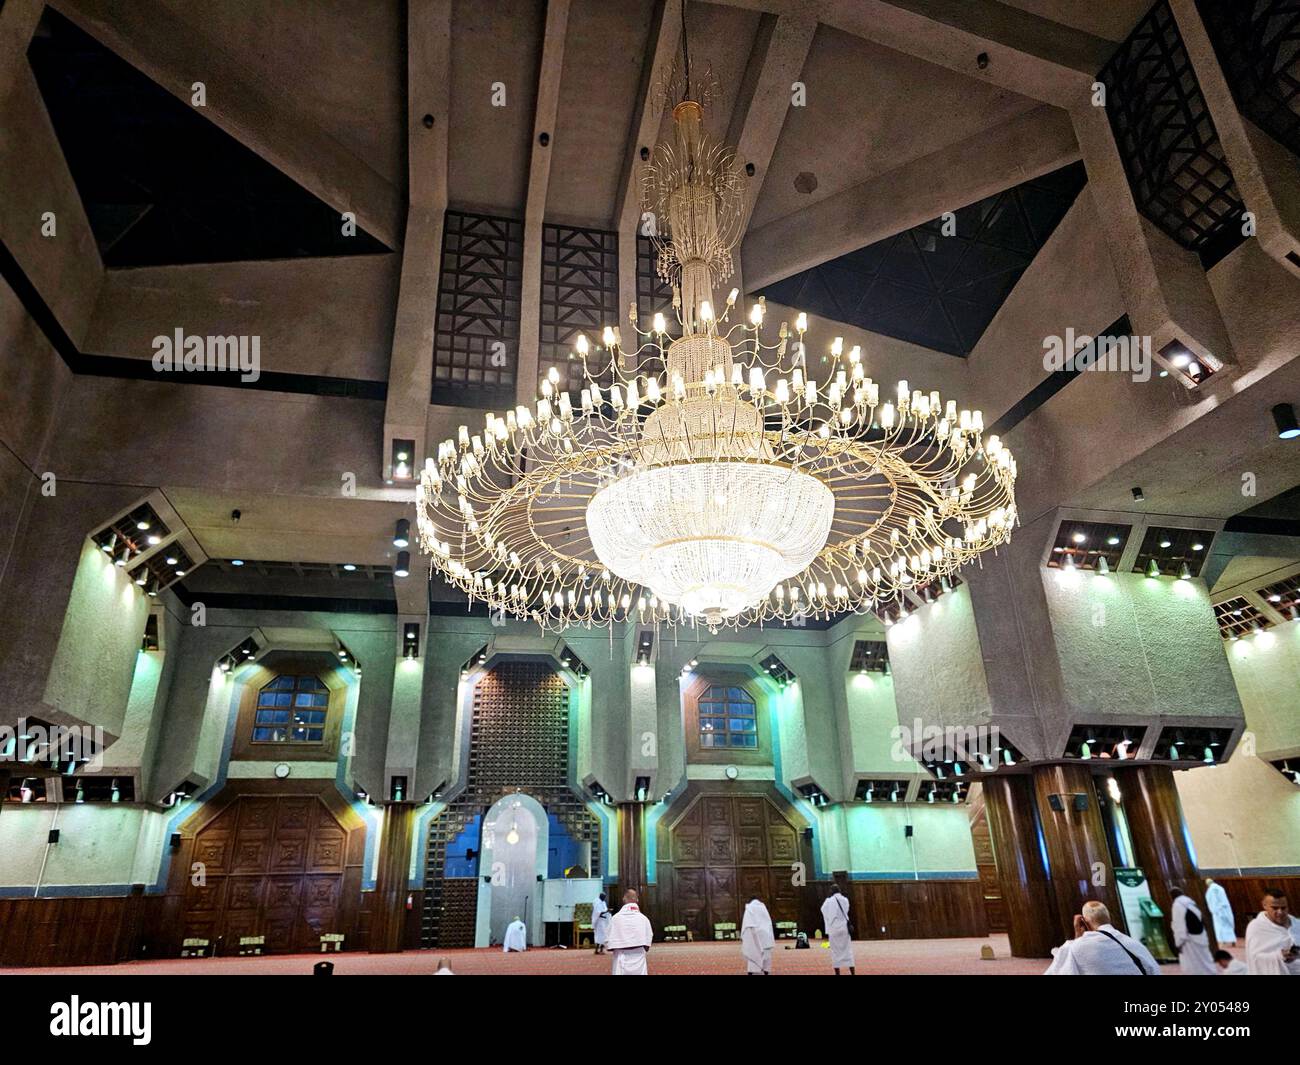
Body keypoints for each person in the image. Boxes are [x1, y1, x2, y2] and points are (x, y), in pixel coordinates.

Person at [1044, 901, 1161, 975]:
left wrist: (1077, 937)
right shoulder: (1135, 945)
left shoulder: (1074, 948)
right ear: (1108, 918)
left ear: (1083, 922)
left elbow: (1059, 970)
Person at [1245, 887, 1300, 974]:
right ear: (1264, 905)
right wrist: (1280, 956)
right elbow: (1254, 958)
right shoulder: (1256, 927)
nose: (1280, 912)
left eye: (1283, 908)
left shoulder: (1297, 924)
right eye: (1275, 908)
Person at [606, 889, 654, 975]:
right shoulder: (644, 919)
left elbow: (609, 946)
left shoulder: (615, 919)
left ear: (624, 899)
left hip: (620, 960)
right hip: (639, 960)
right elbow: (647, 947)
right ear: (637, 900)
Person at [1169, 888, 1216, 975]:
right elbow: (1202, 919)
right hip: (1201, 936)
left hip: (1189, 940)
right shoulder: (1191, 903)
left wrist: (1179, 942)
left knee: (1193, 963)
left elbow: (1179, 926)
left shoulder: (1177, 905)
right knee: (1205, 959)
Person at [819, 885, 855, 975]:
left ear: (831, 891)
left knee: (835, 951)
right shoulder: (845, 900)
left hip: (834, 929)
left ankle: (837, 973)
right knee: (847, 950)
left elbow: (823, 910)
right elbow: (846, 911)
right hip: (844, 929)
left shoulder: (829, 901)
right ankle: (853, 973)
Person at [740, 897, 774, 975]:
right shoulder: (763, 907)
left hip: (754, 933)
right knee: (766, 953)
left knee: (753, 950)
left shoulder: (749, 908)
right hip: (765, 933)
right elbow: (768, 922)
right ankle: (766, 970)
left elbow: (747, 924)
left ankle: (751, 971)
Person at [1204, 877, 1236, 946]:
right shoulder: (1220, 888)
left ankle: (1222, 941)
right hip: (1226, 909)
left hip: (1218, 910)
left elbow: (1213, 901)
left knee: (1220, 926)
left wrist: (1214, 910)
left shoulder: (1211, 890)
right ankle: (1232, 941)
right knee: (1229, 924)